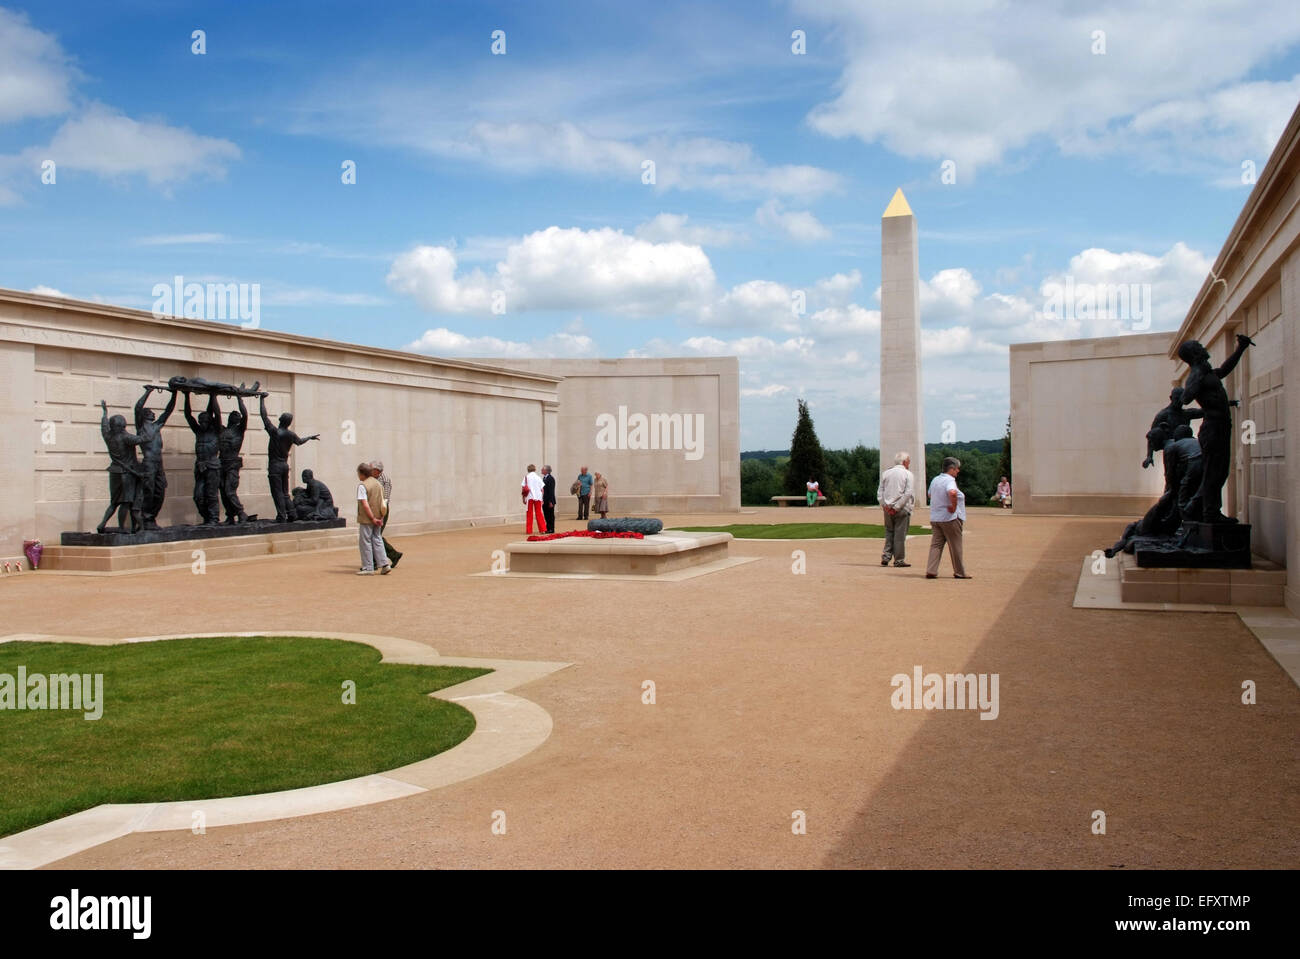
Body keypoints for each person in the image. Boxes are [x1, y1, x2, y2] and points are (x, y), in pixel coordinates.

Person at [1178, 334, 1252, 523]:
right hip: (1212, 428)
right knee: (1214, 472)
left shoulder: (1205, 370)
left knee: (1220, 472)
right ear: (1194, 354)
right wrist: (1199, 376)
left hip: (1221, 426)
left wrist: (1240, 349)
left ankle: (1198, 508)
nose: (1204, 348)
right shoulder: (1197, 373)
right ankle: (1209, 512)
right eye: (1199, 346)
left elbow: (1224, 370)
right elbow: (1186, 397)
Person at [260, 394, 320, 523]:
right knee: (285, 493)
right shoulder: (290, 434)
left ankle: (281, 516)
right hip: (284, 466)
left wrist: (261, 400)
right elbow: (300, 441)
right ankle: (292, 514)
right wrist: (310, 437)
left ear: (281, 420)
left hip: (275, 466)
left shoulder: (275, 432)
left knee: (277, 493)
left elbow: (264, 418)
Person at [96, 400, 145, 533]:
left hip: (114, 471)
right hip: (126, 474)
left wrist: (105, 413)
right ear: (121, 426)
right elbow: (142, 439)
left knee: (114, 502)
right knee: (125, 502)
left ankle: (102, 523)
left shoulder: (108, 436)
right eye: (123, 426)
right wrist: (146, 427)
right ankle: (122, 527)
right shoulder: (125, 437)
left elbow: (104, 426)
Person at [134, 385, 177, 529]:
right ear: (145, 415)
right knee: (149, 490)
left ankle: (151, 517)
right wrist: (148, 392)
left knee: (160, 491)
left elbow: (168, 411)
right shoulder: (141, 426)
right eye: (150, 412)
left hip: (159, 463)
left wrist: (174, 395)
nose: (153, 414)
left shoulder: (157, 426)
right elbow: (138, 407)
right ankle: (145, 519)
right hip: (148, 463)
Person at [926, 457, 970, 579]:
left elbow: (930, 494)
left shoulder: (935, 479)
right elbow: (952, 493)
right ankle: (959, 571)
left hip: (935, 518)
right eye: (956, 469)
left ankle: (931, 570)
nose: (958, 471)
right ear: (951, 469)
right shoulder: (950, 480)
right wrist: (953, 506)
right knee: (955, 545)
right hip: (949, 518)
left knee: (936, 545)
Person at [183, 390, 222, 525]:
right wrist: (186, 396)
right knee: (198, 496)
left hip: (212, 466)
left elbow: (217, 413)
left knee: (211, 495)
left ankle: (214, 519)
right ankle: (207, 518)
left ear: (209, 421)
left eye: (205, 421)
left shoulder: (216, 430)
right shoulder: (198, 431)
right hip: (200, 466)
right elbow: (188, 415)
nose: (202, 423)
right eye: (200, 421)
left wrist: (213, 396)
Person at [217, 390, 253, 524]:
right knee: (222, 491)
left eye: (236, 415)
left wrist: (239, 397)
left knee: (229, 490)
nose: (235, 415)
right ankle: (230, 516)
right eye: (233, 414)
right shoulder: (222, 430)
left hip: (232, 463)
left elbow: (245, 414)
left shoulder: (239, 430)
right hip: (221, 463)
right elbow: (216, 413)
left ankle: (241, 513)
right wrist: (214, 396)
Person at [877, 452, 915, 568]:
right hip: (902, 508)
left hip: (887, 508)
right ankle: (899, 560)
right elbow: (908, 493)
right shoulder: (908, 474)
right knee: (900, 535)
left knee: (889, 532)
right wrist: (897, 507)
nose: (909, 463)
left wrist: (885, 505)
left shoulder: (886, 473)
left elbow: (880, 492)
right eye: (908, 461)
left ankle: (886, 556)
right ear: (904, 462)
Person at [355, 462, 390, 574]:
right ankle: (384, 564)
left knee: (365, 541)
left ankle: (368, 567)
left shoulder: (363, 485)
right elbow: (383, 501)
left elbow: (365, 504)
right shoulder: (377, 483)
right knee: (377, 539)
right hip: (379, 515)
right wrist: (380, 517)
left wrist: (372, 518)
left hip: (367, 518)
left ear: (362, 474)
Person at [370, 461, 403, 568]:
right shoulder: (371, 479)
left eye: (372, 469)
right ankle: (393, 555)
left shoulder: (385, 480)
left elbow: (386, 499)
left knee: (375, 536)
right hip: (373, 509)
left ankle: (375, 562)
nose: (369, 471)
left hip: (381, 509)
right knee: (374, 535)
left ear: (378, 471)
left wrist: (381, 515)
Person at [522, 464, 545, 534]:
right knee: (539, 513)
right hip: (538, 497)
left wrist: (523, 498)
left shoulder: (526, 477)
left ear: (528, 470)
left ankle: (529, 530)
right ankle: (542, 529)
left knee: (529, 514)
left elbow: (523, 488)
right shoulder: (538, 477)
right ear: (535, 469)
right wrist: (542, 499)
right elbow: (542, 489)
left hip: (529, 497)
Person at [541, 465, 557, 534]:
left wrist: (551, 501)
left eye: (543, 469)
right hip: (545, 500)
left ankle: (551, 529)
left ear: (546, 470)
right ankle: (548, 527)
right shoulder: (544, 478)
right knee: (546, 515)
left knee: (550, 515)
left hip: (549, 500)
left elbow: (551, 491)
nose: (541, 470)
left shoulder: (550, 478)